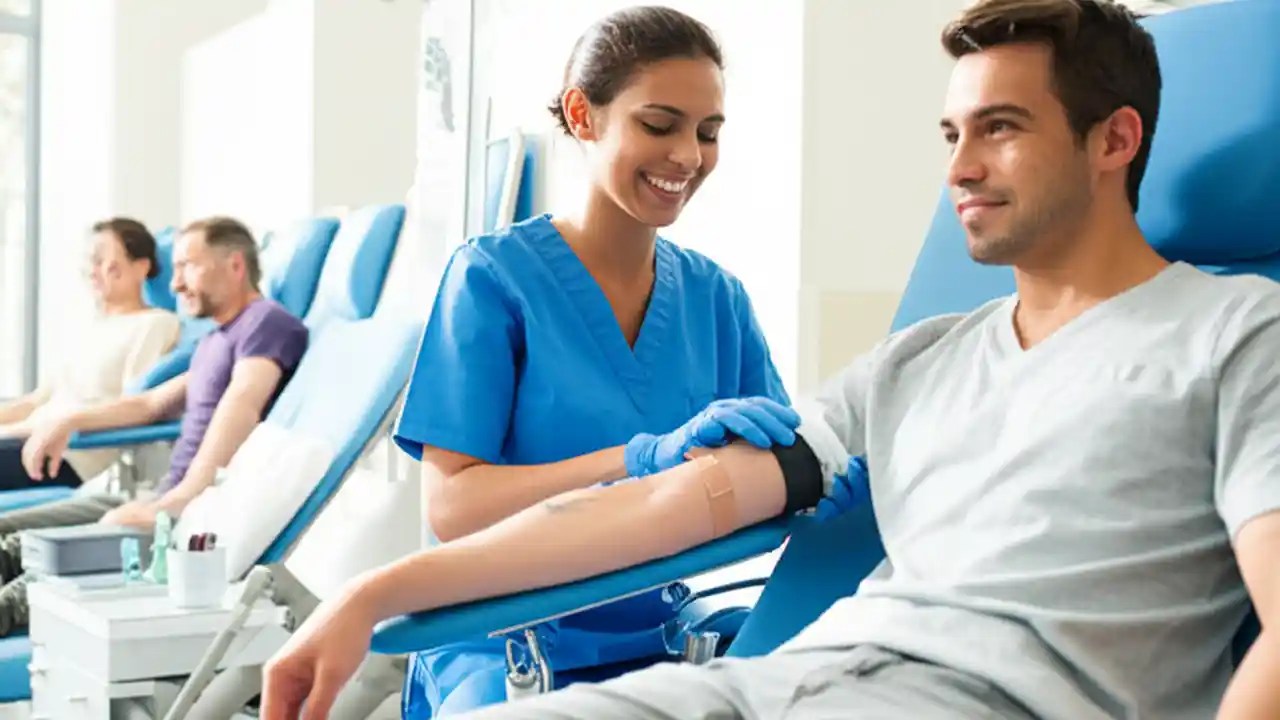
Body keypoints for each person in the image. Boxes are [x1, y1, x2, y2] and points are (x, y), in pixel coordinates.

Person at [263, 0, 1280, 718]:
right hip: (765, 681)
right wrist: (371, 593)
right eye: (949, 134)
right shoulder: (915, 362)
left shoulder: (1233, 337)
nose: (957, 170)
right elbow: (668, 503)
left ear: (1113, 140)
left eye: (999, 131)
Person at [382, 6, 798, 717]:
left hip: (670, 640)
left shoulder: (715, 298)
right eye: (659, 125)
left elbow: (783, 468)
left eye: (708, 132)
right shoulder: (492, 280)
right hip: (501, 647)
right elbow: (454, 507)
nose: (689, 157)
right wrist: (635, 461)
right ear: (583, 115)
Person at [0, 216, 308, 637]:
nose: (176, 283)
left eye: (188, 267)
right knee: (7, 541)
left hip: (183, 520)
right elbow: (148, 404)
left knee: (17, 591)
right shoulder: (216, 339)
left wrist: (175, 503)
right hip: (158, 499)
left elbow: (242, 406)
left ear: (235, 265)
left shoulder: (267, 325)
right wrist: (69, 418)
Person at [0, 218, 180, 491]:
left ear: (141, 267)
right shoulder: (87, 329)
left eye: (102, 262)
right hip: (24, 438)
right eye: (89, 263)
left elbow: (133, 404)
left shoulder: (154, 324)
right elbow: (36, 401)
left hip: (68, 454)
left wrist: (60, 424)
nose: (92, 272)